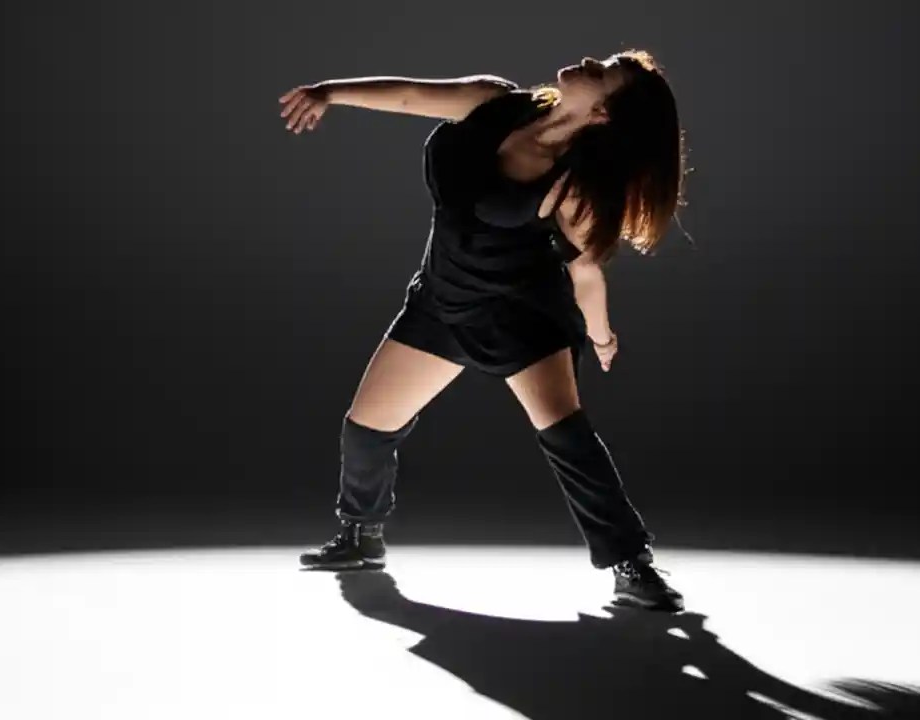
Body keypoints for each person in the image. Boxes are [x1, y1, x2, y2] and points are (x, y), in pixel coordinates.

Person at [278, 50, 690, 612]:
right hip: (442, 300)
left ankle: (631, 564)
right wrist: (328, 90)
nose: (588, 60)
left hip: (519, 315)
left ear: (602, 116)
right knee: (365, 430)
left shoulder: (575, 183)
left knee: (568, 439)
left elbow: (586, 269)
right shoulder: (496, 100)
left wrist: (600, 335)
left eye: (601, 74)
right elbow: (410, 95)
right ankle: (361, 535)